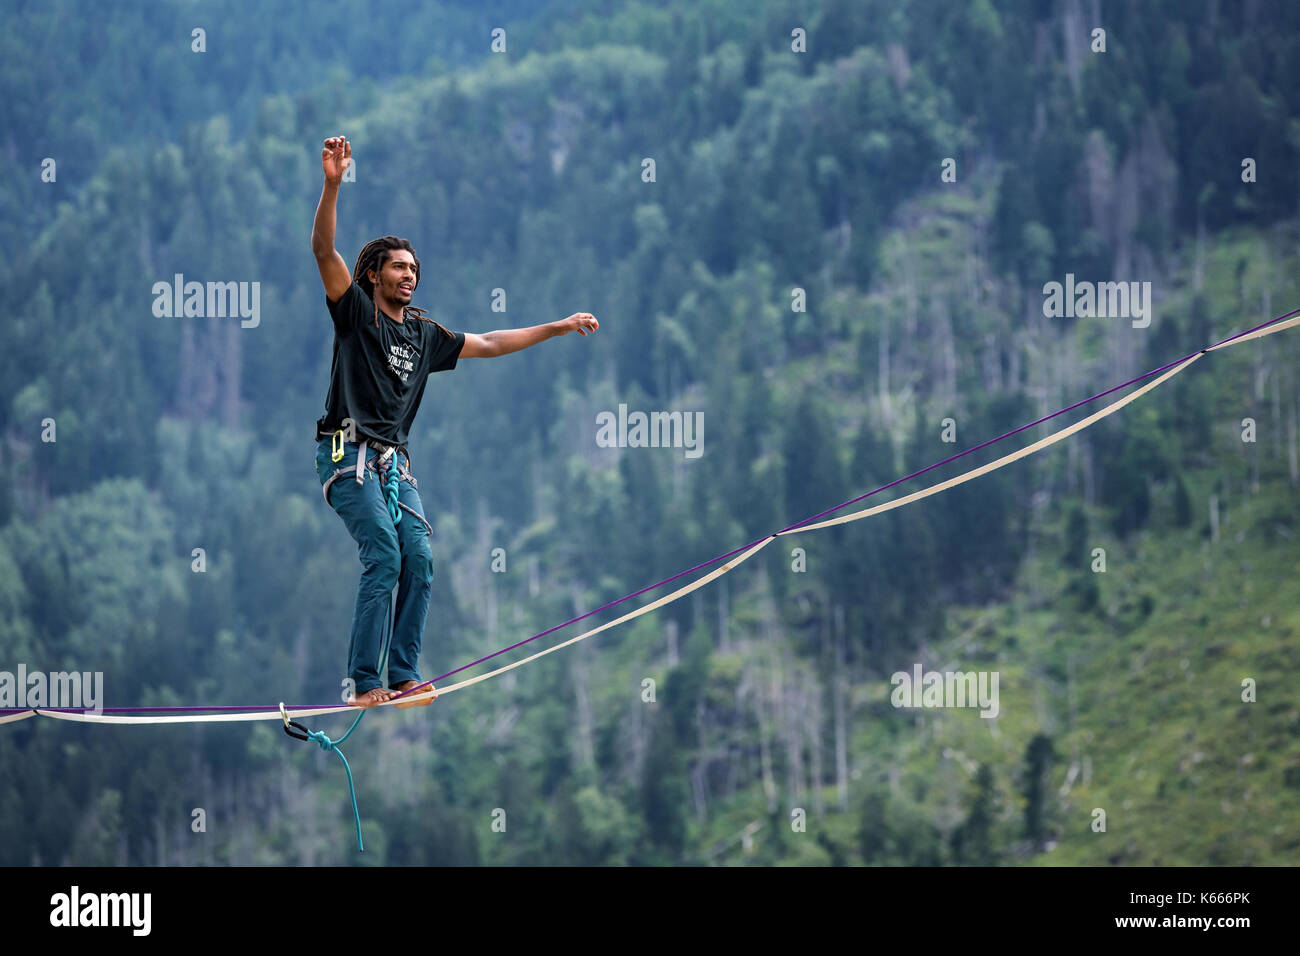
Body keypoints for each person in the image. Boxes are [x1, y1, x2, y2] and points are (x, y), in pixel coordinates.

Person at [310, 135, 599, 708]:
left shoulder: (424, 334)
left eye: (414, 268)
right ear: (372, 274)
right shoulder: (356, 314)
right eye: (397, 267)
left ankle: (403, 675)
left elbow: (490, 341)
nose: (409, 275)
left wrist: (558, 326)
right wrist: (333, 186)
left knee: (419, 558)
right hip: (347, 457)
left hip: (392, 464)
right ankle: (365, 683)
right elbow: (323, 252)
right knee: (385, 557)